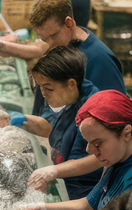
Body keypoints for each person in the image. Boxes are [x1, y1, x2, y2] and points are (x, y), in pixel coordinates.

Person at [0, 0, 126, 114]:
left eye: (53, 36)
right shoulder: (61, 46)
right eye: (45, 39)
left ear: (69, 23)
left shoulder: (100, 60)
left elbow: (116, 113)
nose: (49, 45)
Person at [10, 45, 100, 201]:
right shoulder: (70, 95)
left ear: (71, 83)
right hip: (68, 178)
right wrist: (17, 119)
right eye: (40, 87)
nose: (43, 94)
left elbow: (98, 158)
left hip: (86, 188)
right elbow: (51, 127)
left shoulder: (93, 112)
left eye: (48, 88)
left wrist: (54, 171)